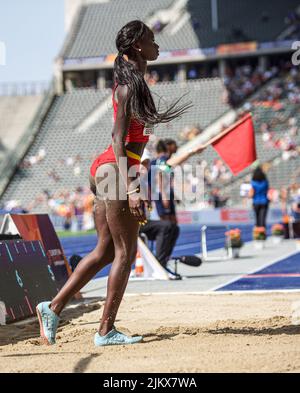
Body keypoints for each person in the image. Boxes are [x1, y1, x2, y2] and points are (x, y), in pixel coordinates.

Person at [36, 20, 191, 347]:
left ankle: (52, 308)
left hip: (111, 169)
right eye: (151, 39)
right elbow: (119, 140)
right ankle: (105, 330)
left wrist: (139, 168)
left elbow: (130, 143)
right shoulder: (129, 86)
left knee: (106, 251)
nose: (157, 44)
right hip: (114, 169)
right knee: (126, 251)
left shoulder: (134, 82)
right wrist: (134, 188)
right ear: (137, 45)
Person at [139, 150, 181, 279]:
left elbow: (166, 168)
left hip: (142, 222)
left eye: (147, 163)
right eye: (143, 163)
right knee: (166, 226)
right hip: (132, 225)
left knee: (174, 227)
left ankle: (162, 262)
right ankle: (159, 264)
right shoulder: (131, 180)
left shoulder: (144, 181)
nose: (145, 166)